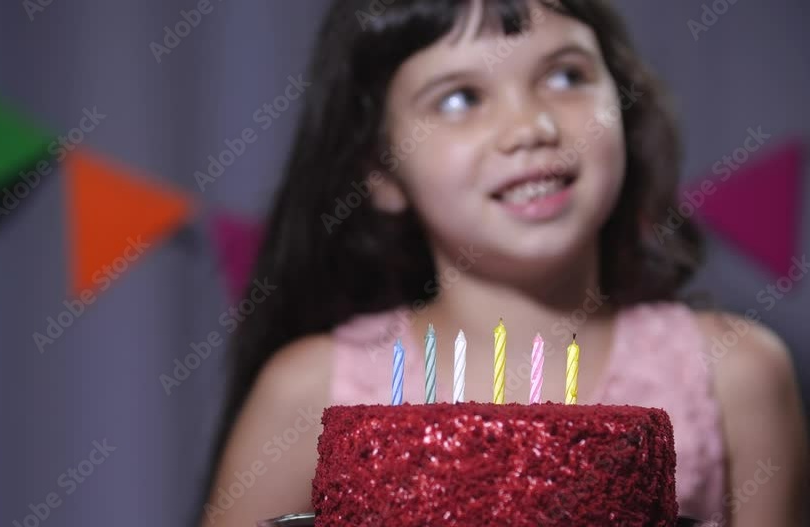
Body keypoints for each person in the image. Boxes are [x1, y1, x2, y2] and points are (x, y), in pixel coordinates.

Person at [200, 1, 808, 525]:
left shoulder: (737, 373)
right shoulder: (308, 389)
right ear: (380, 169)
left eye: (567, 76)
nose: (530, 126)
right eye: (460, 98)